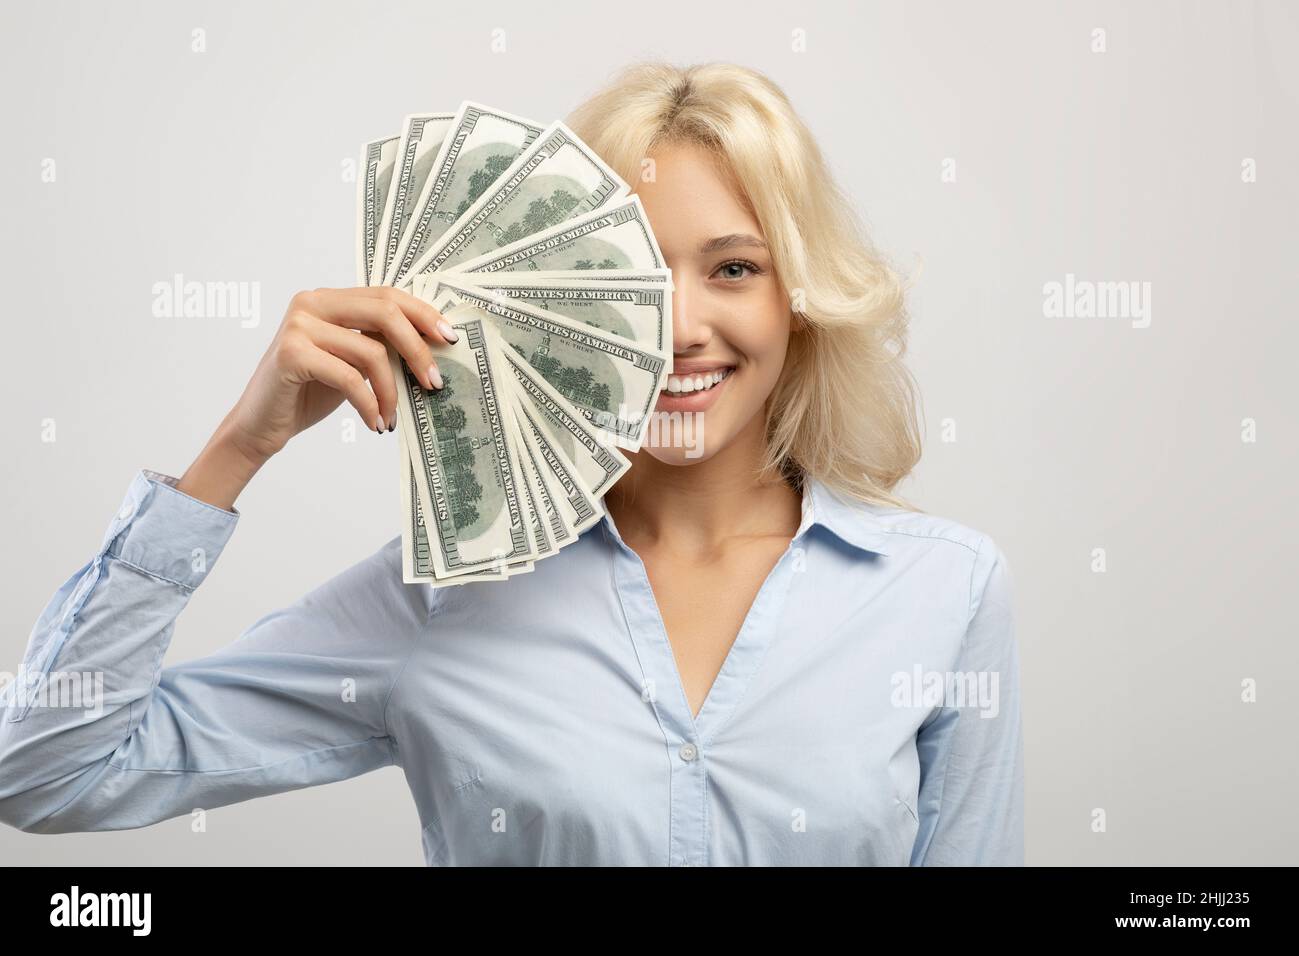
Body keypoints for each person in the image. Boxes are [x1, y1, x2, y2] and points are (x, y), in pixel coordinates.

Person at [0, 61, 1023, 865]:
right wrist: (241, 442)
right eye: (623, 274)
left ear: (795, 297)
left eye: (733, 269)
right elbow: (49, 772)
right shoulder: (445, 595)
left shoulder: (943, 588)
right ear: (553, 295)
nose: (676, 328)